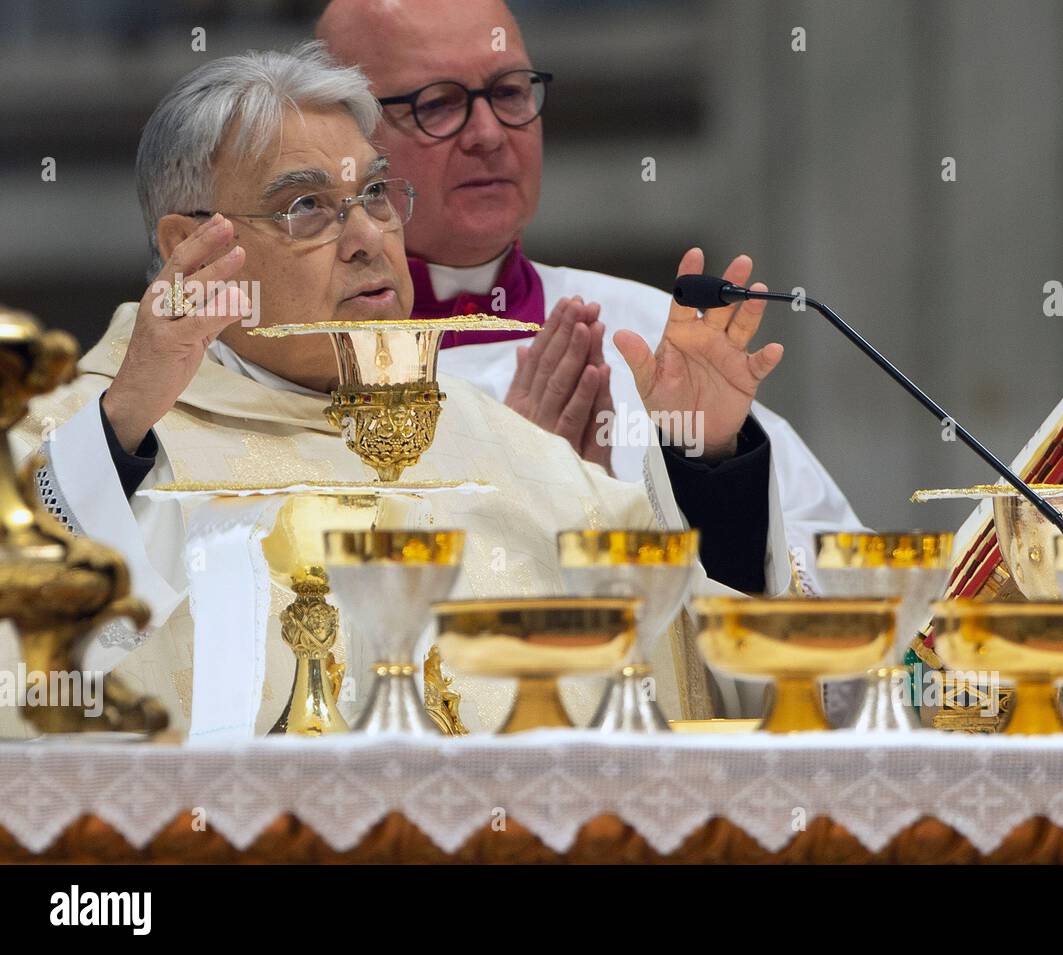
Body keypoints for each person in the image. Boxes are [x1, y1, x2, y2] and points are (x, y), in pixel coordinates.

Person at [5, 43, 788, 737]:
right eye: (307, 207)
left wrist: (708, 462)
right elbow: (31, 657)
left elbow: (701, 664)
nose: (365, 239)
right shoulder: (89, 438)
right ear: (190, 247)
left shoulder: (500, 448)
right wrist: (126, 424)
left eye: (376, 194)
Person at [315, 0, 863, 591]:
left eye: (510, 92)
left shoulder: (649, 332)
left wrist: (712, 468)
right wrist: (521, 498)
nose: (488, 134)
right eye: (438, 103)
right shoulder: (292, 364)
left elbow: (844, 587)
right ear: (341, 135)